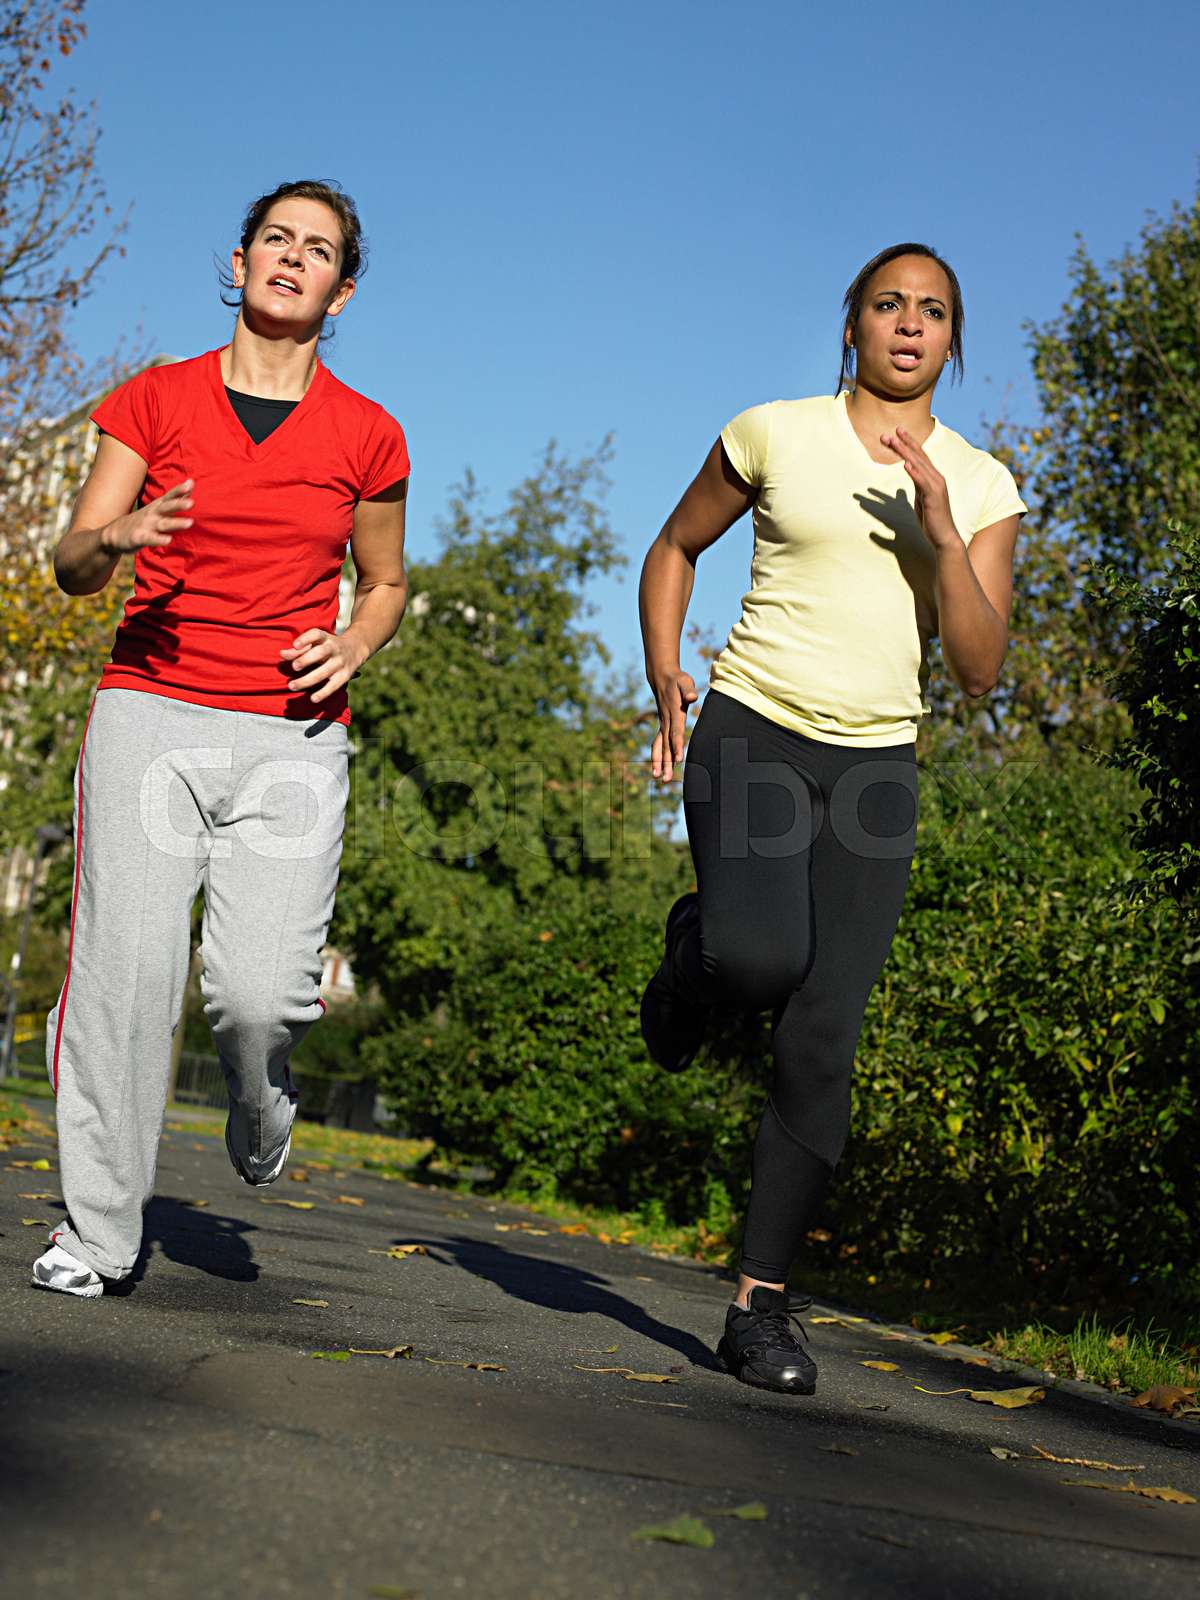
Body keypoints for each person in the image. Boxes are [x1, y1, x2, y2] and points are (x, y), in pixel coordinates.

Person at [637, 242, 1027, 1394]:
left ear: (953, 343)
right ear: (851, 321)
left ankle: (760, 1306)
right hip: (754, 726)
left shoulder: (985, 483)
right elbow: (674, 547)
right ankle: (695, 952)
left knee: (823, 1035)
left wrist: (945, 531)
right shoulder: (772, 431)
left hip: (875, 767)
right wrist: (667, 672)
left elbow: (976, 669)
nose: (910, 326)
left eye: (935, 313)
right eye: (889, 304)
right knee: (758, 959)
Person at [32, 179, 410, 1298]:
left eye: (320, 250)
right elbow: (70, 560)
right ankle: (100, 1234)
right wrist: (120, 531)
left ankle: (263, 1094)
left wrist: (356, 643)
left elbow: (385, 581)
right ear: (239, 263)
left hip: (290, 735)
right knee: (125, 977)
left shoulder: (368, 433)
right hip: (151, 708)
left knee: (258, 996)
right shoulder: (154, 399)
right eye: (276, 241)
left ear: (341, 291)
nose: (294, 259)